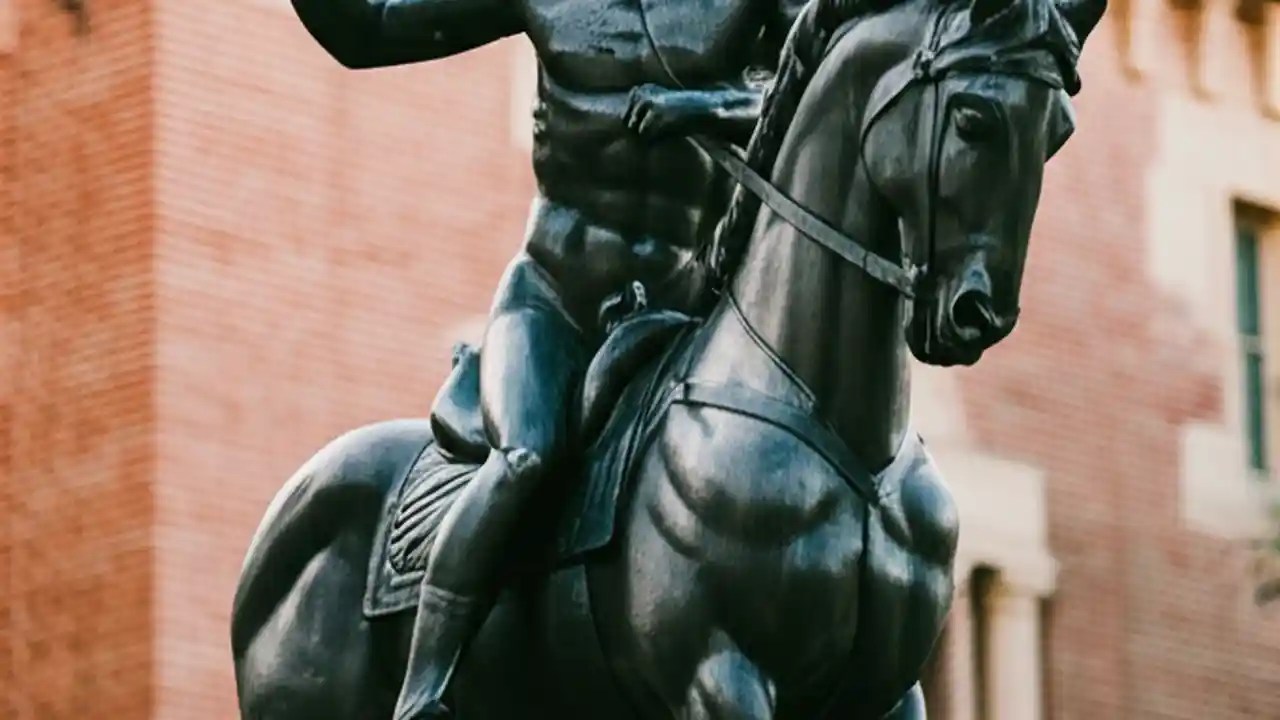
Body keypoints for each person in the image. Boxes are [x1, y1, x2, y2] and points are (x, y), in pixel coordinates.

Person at [288, 0, 807, 716]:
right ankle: (424, 689)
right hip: (555, 297)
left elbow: (819, 87)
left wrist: (703, 108)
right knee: (528, 454)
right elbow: (371, 32)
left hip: (689, 305)